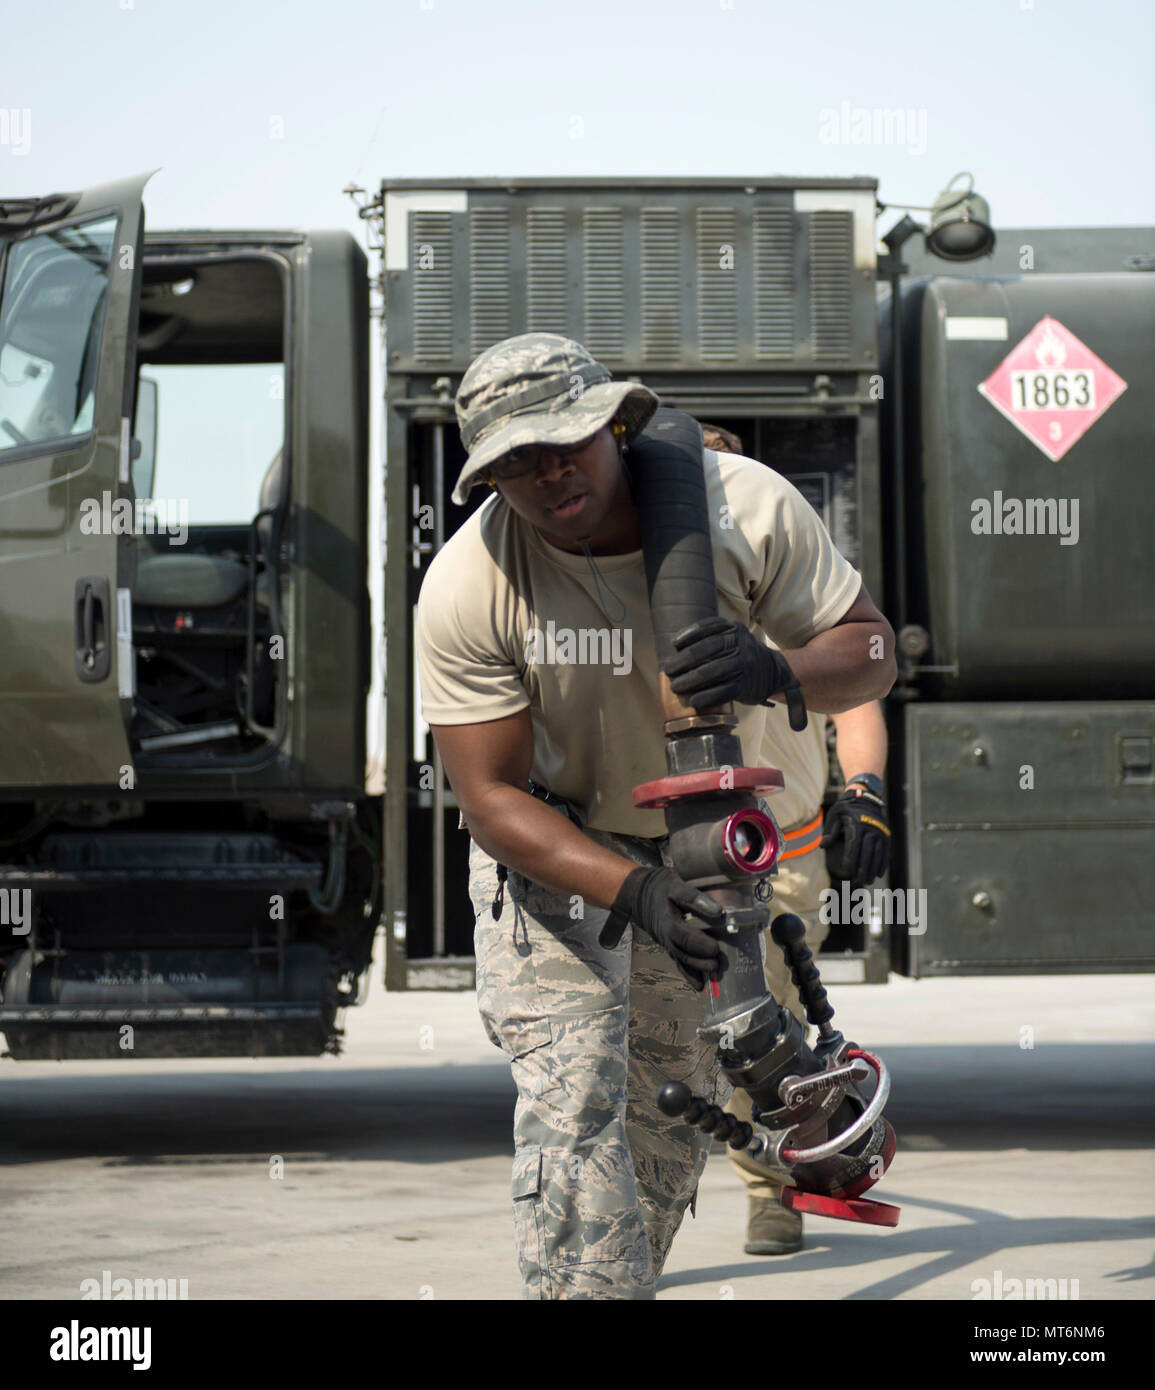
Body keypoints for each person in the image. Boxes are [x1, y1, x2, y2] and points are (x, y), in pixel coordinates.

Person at [415, 332, 896, 1300]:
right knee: (576, 1100)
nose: (547, 476)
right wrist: (632, 889)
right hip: (559, 856)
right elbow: (492, 795)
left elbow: (873, 653)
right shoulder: (472, 582)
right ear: (487, 476)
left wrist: (779, 671)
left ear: (617, 426)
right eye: (515, 462)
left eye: (566, 446)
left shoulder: (746, 505)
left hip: (706, 847)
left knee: (664, 1119)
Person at [698, 424, 892, 1257]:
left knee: (768, 1038)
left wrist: (868, 790)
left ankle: (770, 1189)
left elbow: (855, 693)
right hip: (668, 853)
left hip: (783, 858)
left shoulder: (784, 577)